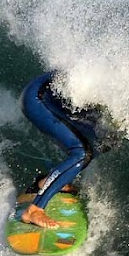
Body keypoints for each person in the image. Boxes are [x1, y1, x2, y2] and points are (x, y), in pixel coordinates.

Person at [18, 70, 101, 229]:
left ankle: (48, 182)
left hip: (53, 102)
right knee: (81, 153)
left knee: (99, 144)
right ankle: (34, 210)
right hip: (38, 99)